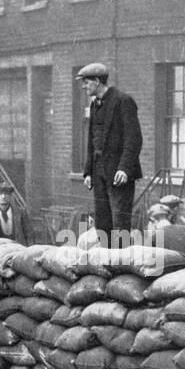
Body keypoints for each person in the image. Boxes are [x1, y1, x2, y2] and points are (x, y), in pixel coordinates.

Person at [77, 61, 143, 244]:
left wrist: (124, 168)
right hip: (99, 173)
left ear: (97, 81)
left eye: (86, 82)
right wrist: (88, 171)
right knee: (102, 222)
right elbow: (91, 140)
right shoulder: (94, 105)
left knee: (120, 224)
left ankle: (120, 266)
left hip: (118, 174)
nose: (83, 86)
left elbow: (134, 139)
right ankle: (107, 264)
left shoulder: (123, 101)